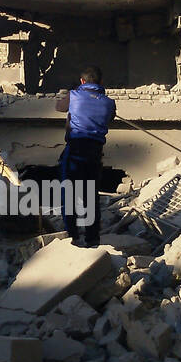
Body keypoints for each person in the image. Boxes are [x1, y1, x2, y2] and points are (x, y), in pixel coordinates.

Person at [54, 65, 116, 247]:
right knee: (90, 196)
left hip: (75, 150)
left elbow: (58, 107)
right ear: (101, 82)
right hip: (95, 153)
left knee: (69, 194)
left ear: (82, 81)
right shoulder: (109, 102)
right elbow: (110, 117)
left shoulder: (73, 95)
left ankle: (73, 237)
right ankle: (92, 239)